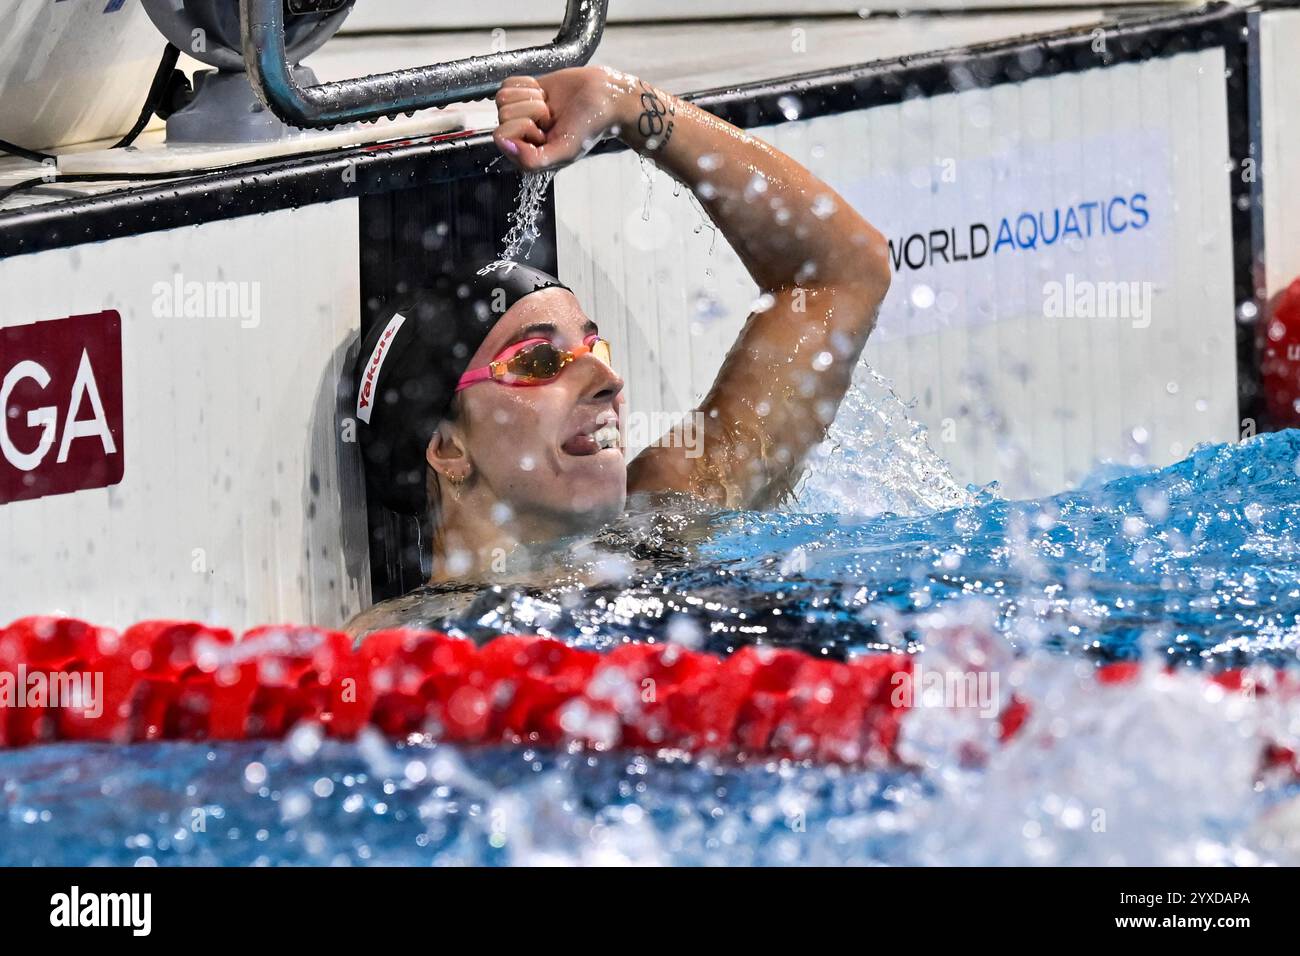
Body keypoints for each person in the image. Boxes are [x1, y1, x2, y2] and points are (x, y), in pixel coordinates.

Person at [344, 66, 890, 638]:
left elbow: (841, 273)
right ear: (450, 449)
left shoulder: (668, 521)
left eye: (593, 345)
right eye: (537, 362)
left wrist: (628, 106)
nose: (606, 377)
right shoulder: (414, 641)